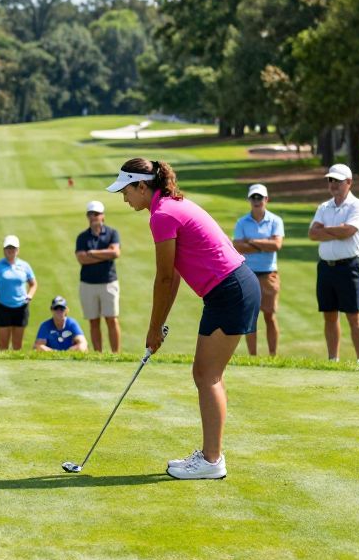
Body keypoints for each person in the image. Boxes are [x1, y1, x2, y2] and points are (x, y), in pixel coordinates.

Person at [107, 158, 259, 480]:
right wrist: (159, 325)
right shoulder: (172, 205)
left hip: (230, 291)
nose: (124, 198)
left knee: (207, 375)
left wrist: (152, 328)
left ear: (142, 186)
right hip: (232, 288)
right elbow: (174, 274)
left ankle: (211, 461)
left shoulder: (162, 215)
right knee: (207, 374)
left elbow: (163, 278)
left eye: (126, 191)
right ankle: (210, 455)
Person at [308, 163, 359, 365]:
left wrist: (327, 230)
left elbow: (349, 231)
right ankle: (333, 359)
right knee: (329, 315)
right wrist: (337, 230)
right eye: (330, 180)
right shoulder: (324, 207)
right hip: (325, 267)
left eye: (337, 181)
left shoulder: (358, 206)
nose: (333, 184)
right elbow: (312, 234)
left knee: (353, 315)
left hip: (348, 266)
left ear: (349, 182)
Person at [232, 184, 284, 356]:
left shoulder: (275, 221)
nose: (256, 201)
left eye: (260, 198)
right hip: (248, 275)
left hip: (268, 274)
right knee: (250, 318)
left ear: (266, 200)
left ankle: (272, 355)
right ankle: (252, 356)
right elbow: (238, 246)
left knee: (269, 315)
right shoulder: (242, 222)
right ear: (249, 200)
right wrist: (263, 244)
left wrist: (251, 241)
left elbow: (276, 245)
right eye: (253, 198)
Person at [75, 200, 122, 353]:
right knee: (93, 321)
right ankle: (98, 354)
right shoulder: (82, 237)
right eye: (90, 214)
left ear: (103, 215)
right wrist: (105, 254)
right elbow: (81, 258)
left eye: (97, 213)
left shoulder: (112, 233)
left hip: (108, 283)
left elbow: (115, 253)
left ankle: (116, 354)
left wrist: (93, 253)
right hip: (88, 284)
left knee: (112, 319)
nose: (94, 216)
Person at [0, 235, 36, 350]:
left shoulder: (25, 266)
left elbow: (33, 284)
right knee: (3, 345)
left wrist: (29, 295)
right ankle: (0, 367)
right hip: (3, 307)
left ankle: (17, 368)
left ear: (17, 250)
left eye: (13, 248)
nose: (10, 250)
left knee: (17, 345)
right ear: (4, 250)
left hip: (21, 307)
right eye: (8, 248)